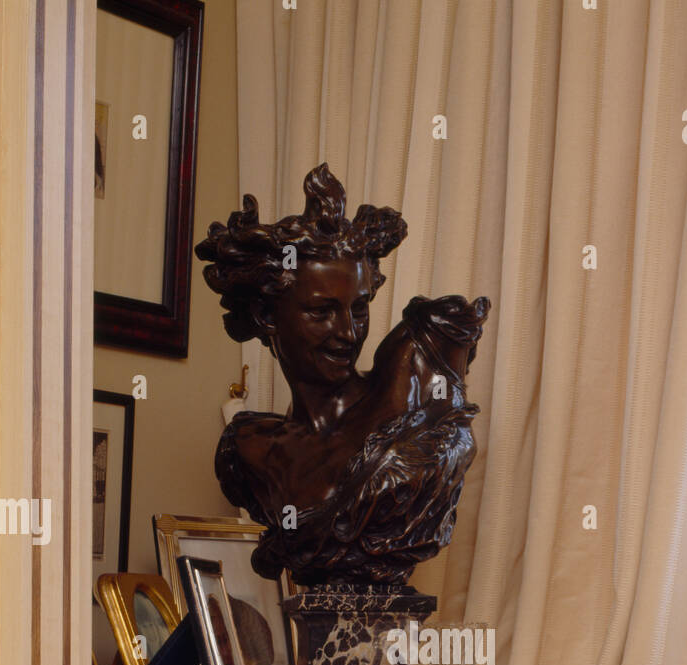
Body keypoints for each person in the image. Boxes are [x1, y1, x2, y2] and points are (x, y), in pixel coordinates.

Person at [195, 164, 489, 588]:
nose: (348, 334)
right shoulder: (250, 452)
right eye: (322, 312)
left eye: (359, 308)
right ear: (265, 316)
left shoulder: (412, 380)